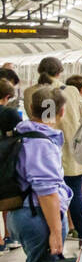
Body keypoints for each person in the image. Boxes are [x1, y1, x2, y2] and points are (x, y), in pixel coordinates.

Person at [11, 85, 75, 262]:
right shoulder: (40, 142)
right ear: (60, 111)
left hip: (24, 213)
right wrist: (56, 231)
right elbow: (46, 190)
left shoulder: (22, 135)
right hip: (38, 216)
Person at [27, 57, 82, 240]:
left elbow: (36, 119)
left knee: (46, 194)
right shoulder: (71, 91)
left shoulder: (31, 92)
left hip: (42, 151)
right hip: (70, 151)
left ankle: (52, 230)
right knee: (76, 195)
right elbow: (80, 117)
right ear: (60, 72)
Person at [0, 79, 23, 252]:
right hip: (5, 159)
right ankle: (10, 236)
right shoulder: (10, 113)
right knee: (7, 197)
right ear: (6, 97)